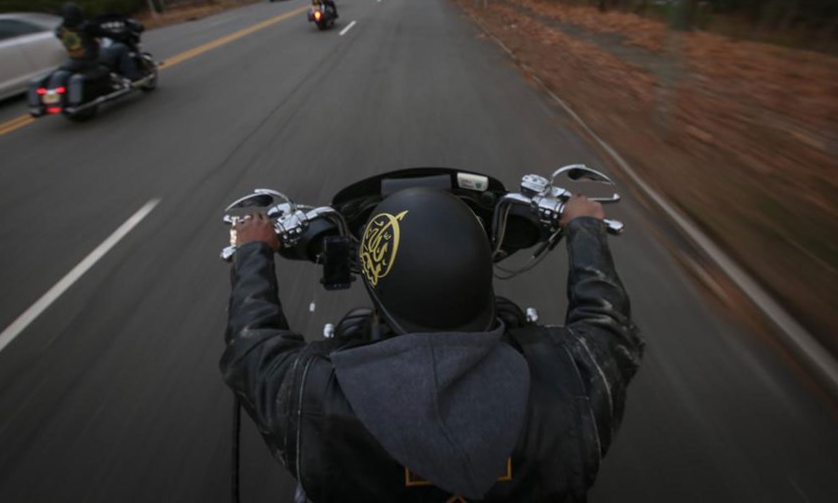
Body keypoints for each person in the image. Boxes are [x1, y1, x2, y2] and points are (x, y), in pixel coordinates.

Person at [221, 187, 644, 502]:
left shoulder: (309, 398)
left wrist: (253, 250)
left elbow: (252, 345)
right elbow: (607, 324)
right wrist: (584, 225)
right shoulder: (574, 379)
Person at [56, 2, 142, 84]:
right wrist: (123, 34)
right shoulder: (87, 26)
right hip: (93, 58)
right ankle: (133, 76)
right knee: (120, 47)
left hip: (74, 60)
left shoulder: (60, 30)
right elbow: (108, 34)